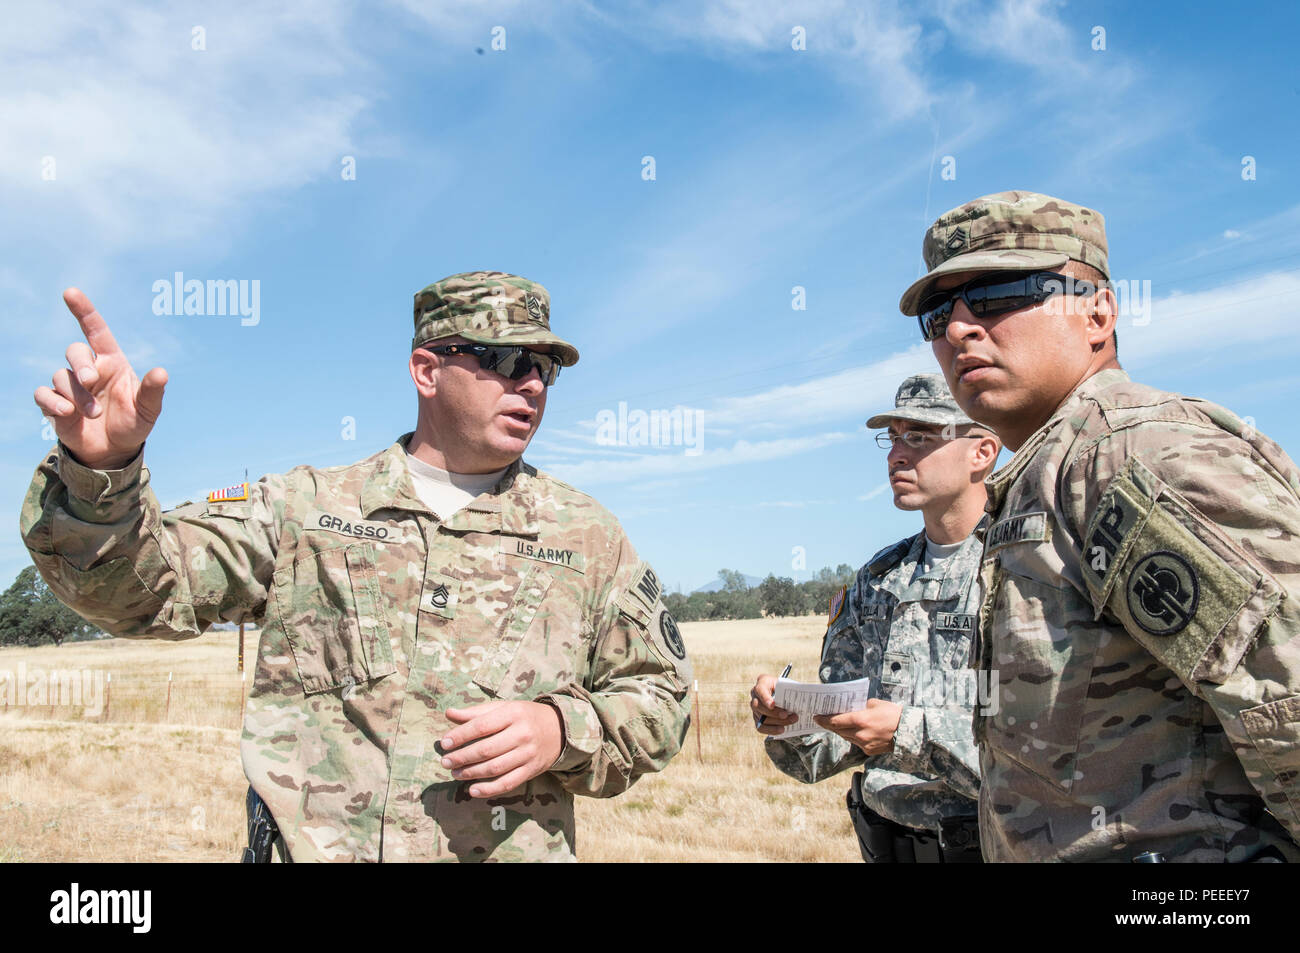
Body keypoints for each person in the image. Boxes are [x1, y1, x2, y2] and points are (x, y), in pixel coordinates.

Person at [21, 271, 692, 863]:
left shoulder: (587, 537)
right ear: (427, 370)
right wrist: (101, 472)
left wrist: (560, 728)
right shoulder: (305, 509)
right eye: (504, 357)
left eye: (544, 366)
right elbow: (138, 592)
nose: (529, 383)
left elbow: (664, 697)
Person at [902, 190, 1300, 862]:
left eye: (1000, 295)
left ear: (1098, 312)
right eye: (940, 314)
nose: (960, 329)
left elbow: (1288, 708)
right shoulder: (1045, 472)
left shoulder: (1133, 457)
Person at [750, 373, 1000, 862]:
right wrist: (788, 719)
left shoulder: (1025, 568)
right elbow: (828, 746)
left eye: (921, 437)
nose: (896, 455)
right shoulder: (878, 578)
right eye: (894, 437)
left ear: (982, 452)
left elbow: (1052, 756)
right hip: (887, 845)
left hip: (992, 847)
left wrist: (905, 731)